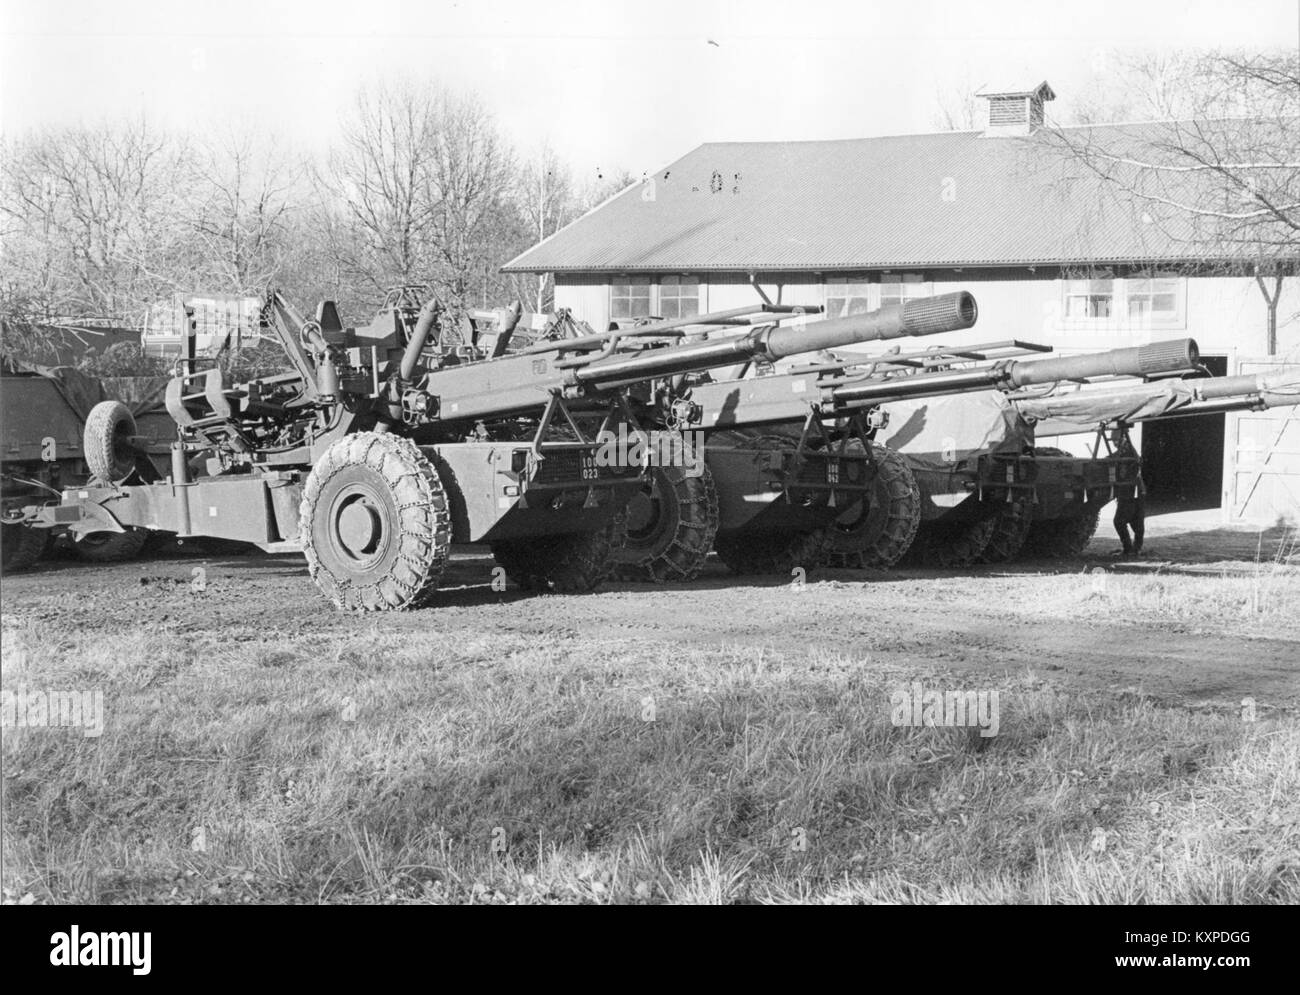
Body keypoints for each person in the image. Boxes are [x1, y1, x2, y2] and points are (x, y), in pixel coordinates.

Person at [1112, 431, 1146, 557]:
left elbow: (1133, 466)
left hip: (1131, 491)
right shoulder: (1125, 450)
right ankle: (1135, 548)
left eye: (1116, 440)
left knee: (1120, 521)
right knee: (1135, 520)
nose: (1115, 443)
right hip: (1134, 491)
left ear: (1123, 439)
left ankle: (1130, 548)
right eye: (1113, 441)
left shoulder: (1128, 451)